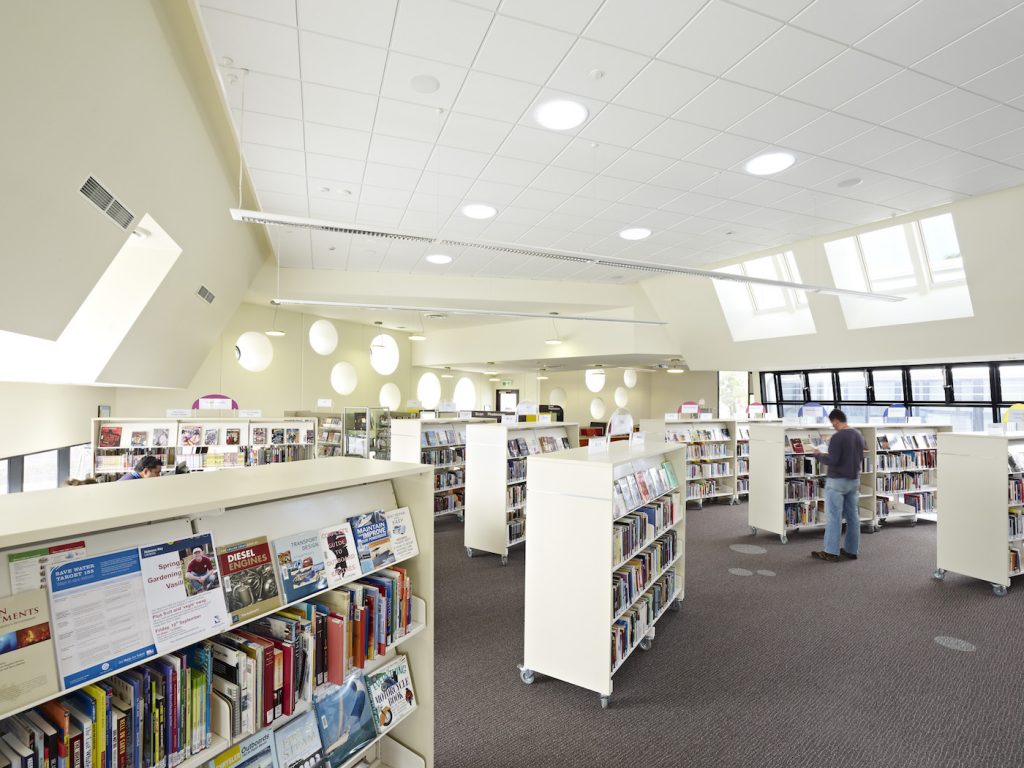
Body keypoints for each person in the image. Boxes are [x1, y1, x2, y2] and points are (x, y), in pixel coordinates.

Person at [811, 409, 865, 562]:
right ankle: (851, 550)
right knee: (853, 516)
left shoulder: (837, 437)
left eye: (832, 423)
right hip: (854, 480)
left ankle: (831, 551)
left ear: (835, 421)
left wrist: (819, 455)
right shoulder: (858, 435)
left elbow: (833, 460)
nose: (832, 426)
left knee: (834, 516)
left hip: (836, 481)